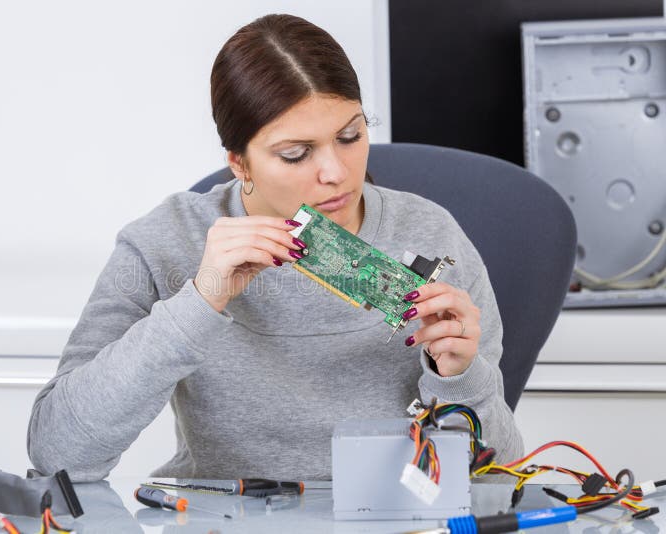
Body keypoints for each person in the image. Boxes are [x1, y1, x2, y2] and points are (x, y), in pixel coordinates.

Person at [27, 13, 523, 482]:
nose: (336, 173)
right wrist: (200, 301)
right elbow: (59, 452)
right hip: (221, 518)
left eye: (351, 135)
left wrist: (459, 377)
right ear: (239, 164)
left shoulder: (431, 234)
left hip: (395, 516)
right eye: (296, 154)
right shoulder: (167, 241)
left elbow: (498, 472)